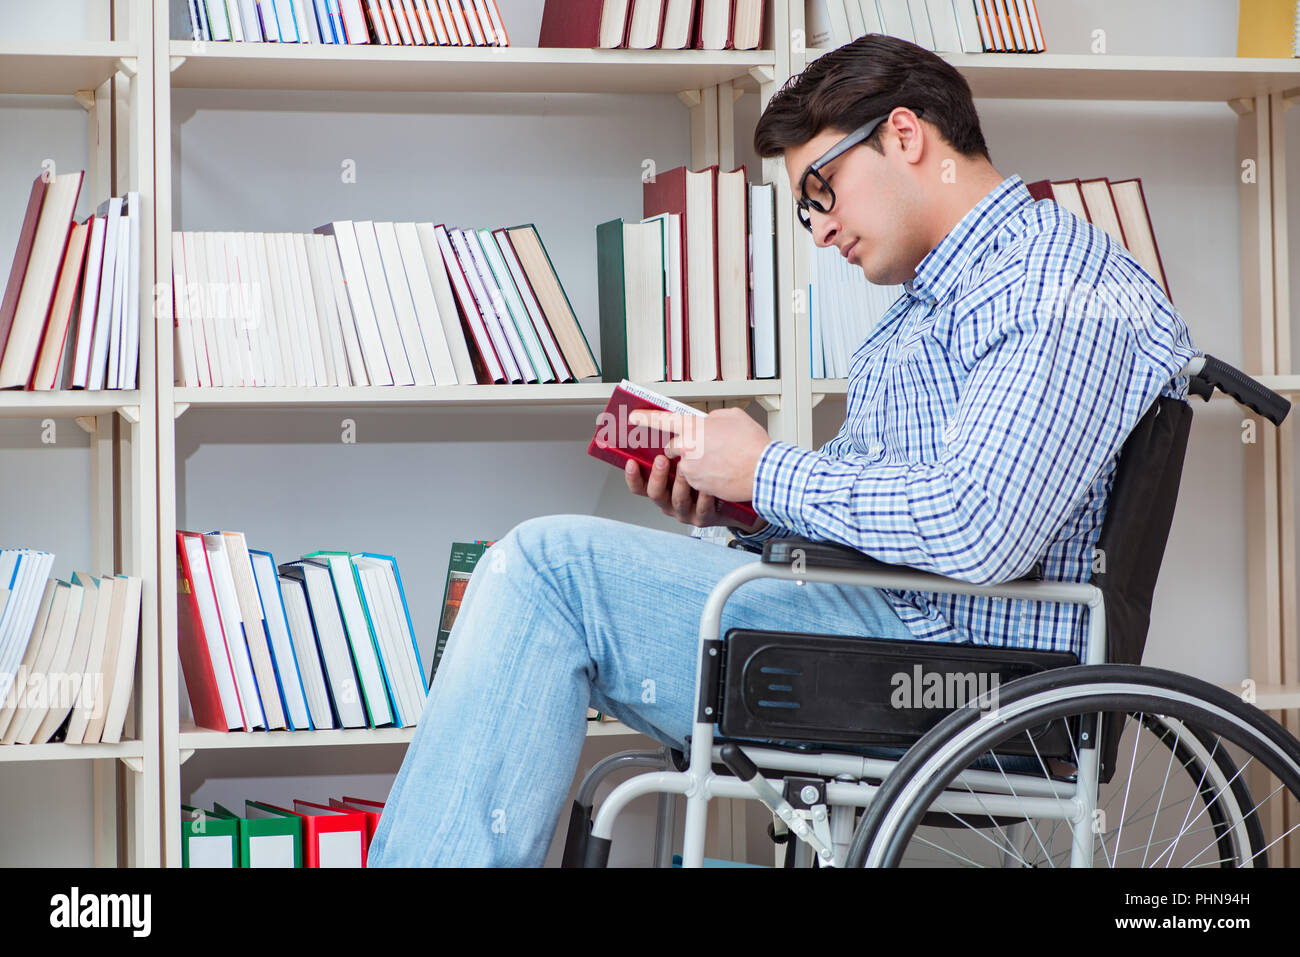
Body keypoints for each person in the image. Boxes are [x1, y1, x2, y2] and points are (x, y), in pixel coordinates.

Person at [366, 33, 1198, 867]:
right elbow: (892, 506)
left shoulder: (1062, 288)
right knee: (549, 575)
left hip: (950, 675)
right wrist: (751, 506)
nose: (820, 228)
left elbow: (975, 526)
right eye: (807, 206)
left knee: (547, 572)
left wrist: (766, 466)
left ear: (905, 136)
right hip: (884, 629)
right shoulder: (929, 303)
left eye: (821, 189)